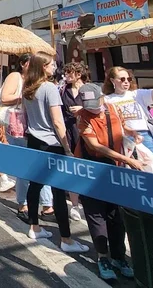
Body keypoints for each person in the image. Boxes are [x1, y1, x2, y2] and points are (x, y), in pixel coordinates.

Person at [21, 53, 88, 253]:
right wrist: (67, 147)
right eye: (51, 65)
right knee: (59, 189)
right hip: (51, 142)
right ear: (43, 67)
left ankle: (34, 226)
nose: (55, 68)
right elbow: (58, 122)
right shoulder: (49, 88)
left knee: (35, 185)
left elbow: (26, 117)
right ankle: (66, 239)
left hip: (33, 140)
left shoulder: (28, 89)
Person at [75, 82, 141, 280]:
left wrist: (132, 134)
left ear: (102, 98)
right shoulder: (83, 119)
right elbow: (95, 146)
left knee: (116, 215)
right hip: (92, 169)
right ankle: (103, 257)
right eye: (88, 105)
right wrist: (127, 159)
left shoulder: (112, 109)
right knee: (96, 215)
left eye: (95, 103)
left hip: (116, 169)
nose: (93, 108)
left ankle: (119, 257)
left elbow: (122, 127)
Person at [0, 54, 53, 215]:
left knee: (40, 165)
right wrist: (25, 96)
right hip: (19, 126)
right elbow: (4, 97)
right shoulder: (15, 76)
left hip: (35, 125)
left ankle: (47, 204)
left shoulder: (37, 79)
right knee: (25, 167)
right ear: (23, 64)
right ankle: (23, 202)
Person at [103, 51, 153, 157]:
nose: (126, 82)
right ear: (112, 81)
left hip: (144, 134)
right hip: (123, 137)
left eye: (128, 79)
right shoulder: (107, 99)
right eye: (122, 79)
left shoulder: (138, 94)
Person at [61, 61, 88, 221]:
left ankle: (89, 199)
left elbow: (100, 109)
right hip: (70, 131)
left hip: (87, 132)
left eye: (69, 73)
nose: (66, 76)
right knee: (72, 168)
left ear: (78, 74)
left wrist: (82, 110)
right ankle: (75, 204)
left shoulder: (90, 89)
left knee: (88, 167)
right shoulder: (63, 90)